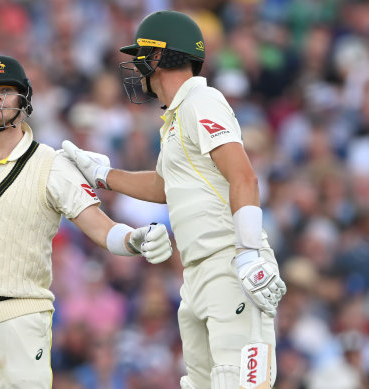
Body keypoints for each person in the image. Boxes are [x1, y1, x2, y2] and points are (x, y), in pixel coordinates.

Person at [0, 54, 173, 389]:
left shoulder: (52, 163)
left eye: (5, 90)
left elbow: (98, 226)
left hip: (17, 311)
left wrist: (133, 240)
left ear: (24, 97)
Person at [62, 10, 287, 389]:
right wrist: (104, 175)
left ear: (159, 57)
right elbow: (166, 187)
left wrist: (248, 252)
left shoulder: (202, 100)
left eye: (141, 57)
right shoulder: (177, 117)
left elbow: (244, 175)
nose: (136, 68)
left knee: (240, 382)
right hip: (197, 271)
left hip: (230, 262)